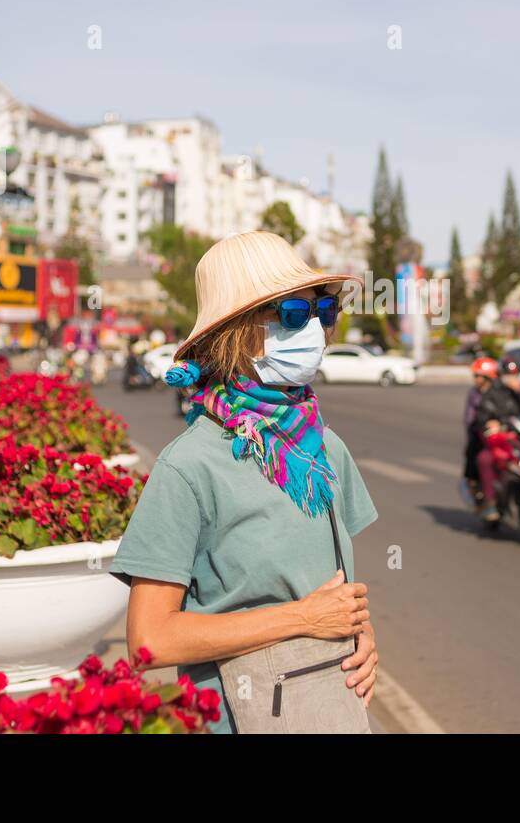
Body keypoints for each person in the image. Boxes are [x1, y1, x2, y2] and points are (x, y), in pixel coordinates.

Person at [110, 231, 379, 734]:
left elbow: (335, 586)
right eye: (293, 314)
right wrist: (302, 619)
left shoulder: (324, 446)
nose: (315, 330)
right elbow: (150, 641)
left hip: (327, 708)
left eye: (323, 312)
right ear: (236, 333)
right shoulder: (186, 468)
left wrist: (362, 636)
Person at [473, 358, 520, 522]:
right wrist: (494, 424)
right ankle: (491, 502)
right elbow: (481, 417)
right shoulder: (492, 393)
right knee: (484, 460)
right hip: (498, 440)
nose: (512, 378)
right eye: (508, 375)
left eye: (515, 375)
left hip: (519, 438)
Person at [462, 357, 498, 485]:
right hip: (480, 432)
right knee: (474, 454)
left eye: (478, 375)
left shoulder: (499, 392)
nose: (475, 379)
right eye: (475, 375)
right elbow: (469, 417)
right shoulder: (474, 393)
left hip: (499, 432)